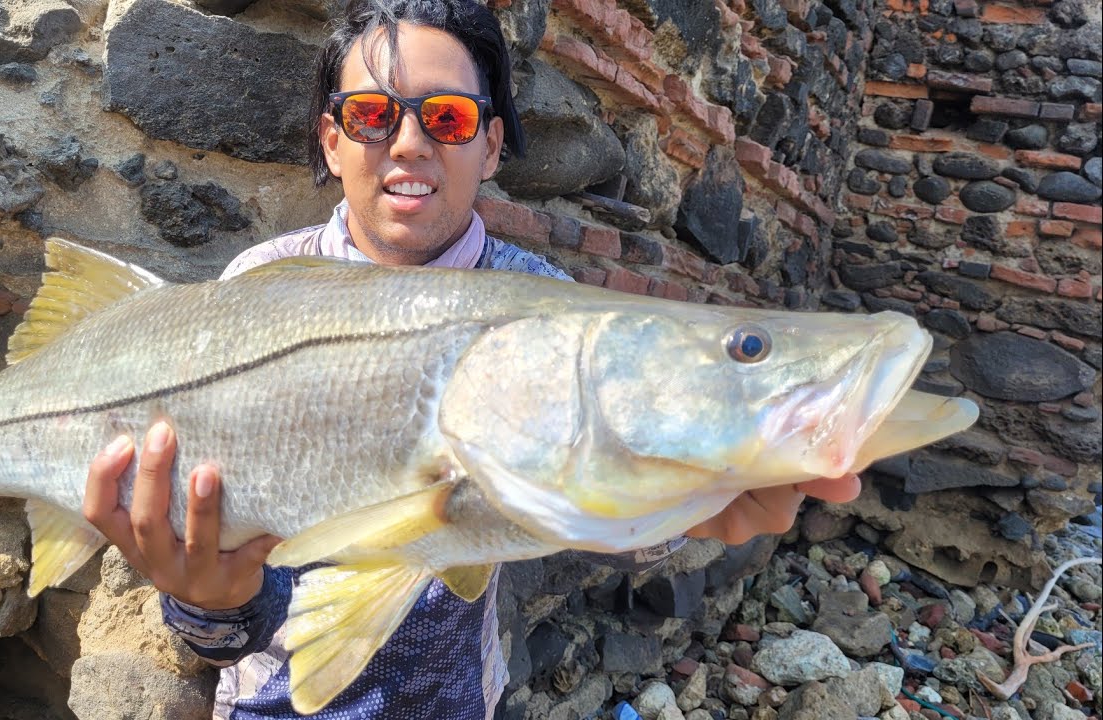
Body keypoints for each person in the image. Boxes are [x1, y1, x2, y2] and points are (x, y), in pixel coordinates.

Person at [81, 1, 861, 718]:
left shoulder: (545, 305)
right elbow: (220, 634)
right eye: (371, 115)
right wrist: (207, 604)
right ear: (331, 139)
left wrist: (686, 509)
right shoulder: (248, 293)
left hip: (457, 698)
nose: (410, 142)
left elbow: (595, 510)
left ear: (491, 145)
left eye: (448, 118)